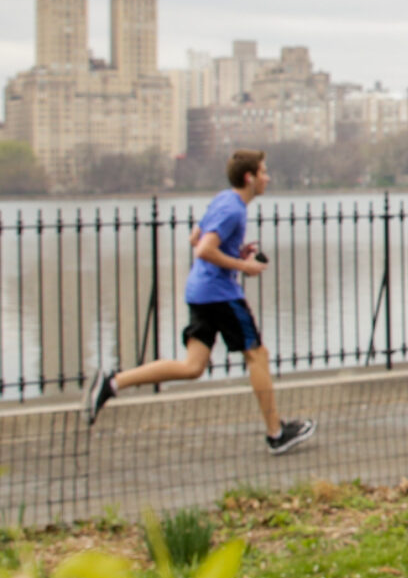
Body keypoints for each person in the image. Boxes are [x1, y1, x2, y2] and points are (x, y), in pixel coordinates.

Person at [85, 148, 316, 455]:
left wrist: (235, 252)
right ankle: (276, 433)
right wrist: (243, 266)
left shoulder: (223, 200)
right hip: (220, 294)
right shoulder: (234, 209)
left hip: (199, 291)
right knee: (257, 355)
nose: (268, 178)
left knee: (193, 366)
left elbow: (196, 237)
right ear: (249, 177)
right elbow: (203, 249)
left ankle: (112, 383)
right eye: (263, 172)